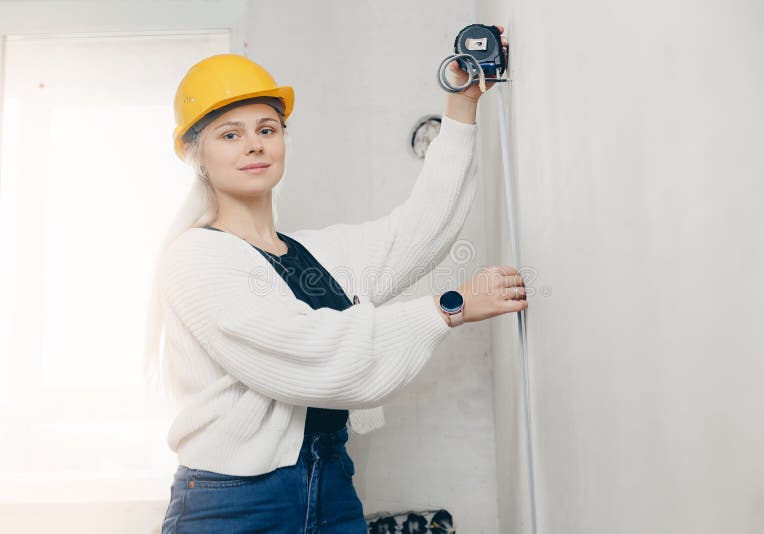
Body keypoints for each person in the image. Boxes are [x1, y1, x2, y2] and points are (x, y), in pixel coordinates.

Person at [148, 26, 523, 534]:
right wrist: (450, 307)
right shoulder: (195, 258)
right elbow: (310, 353)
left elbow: (421, 230)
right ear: (199, 157)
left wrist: (462, 104)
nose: (254, 146)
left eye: (267, 129)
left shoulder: (317, 254)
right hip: (231, 503)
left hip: (330, 483)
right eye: (229, 134)